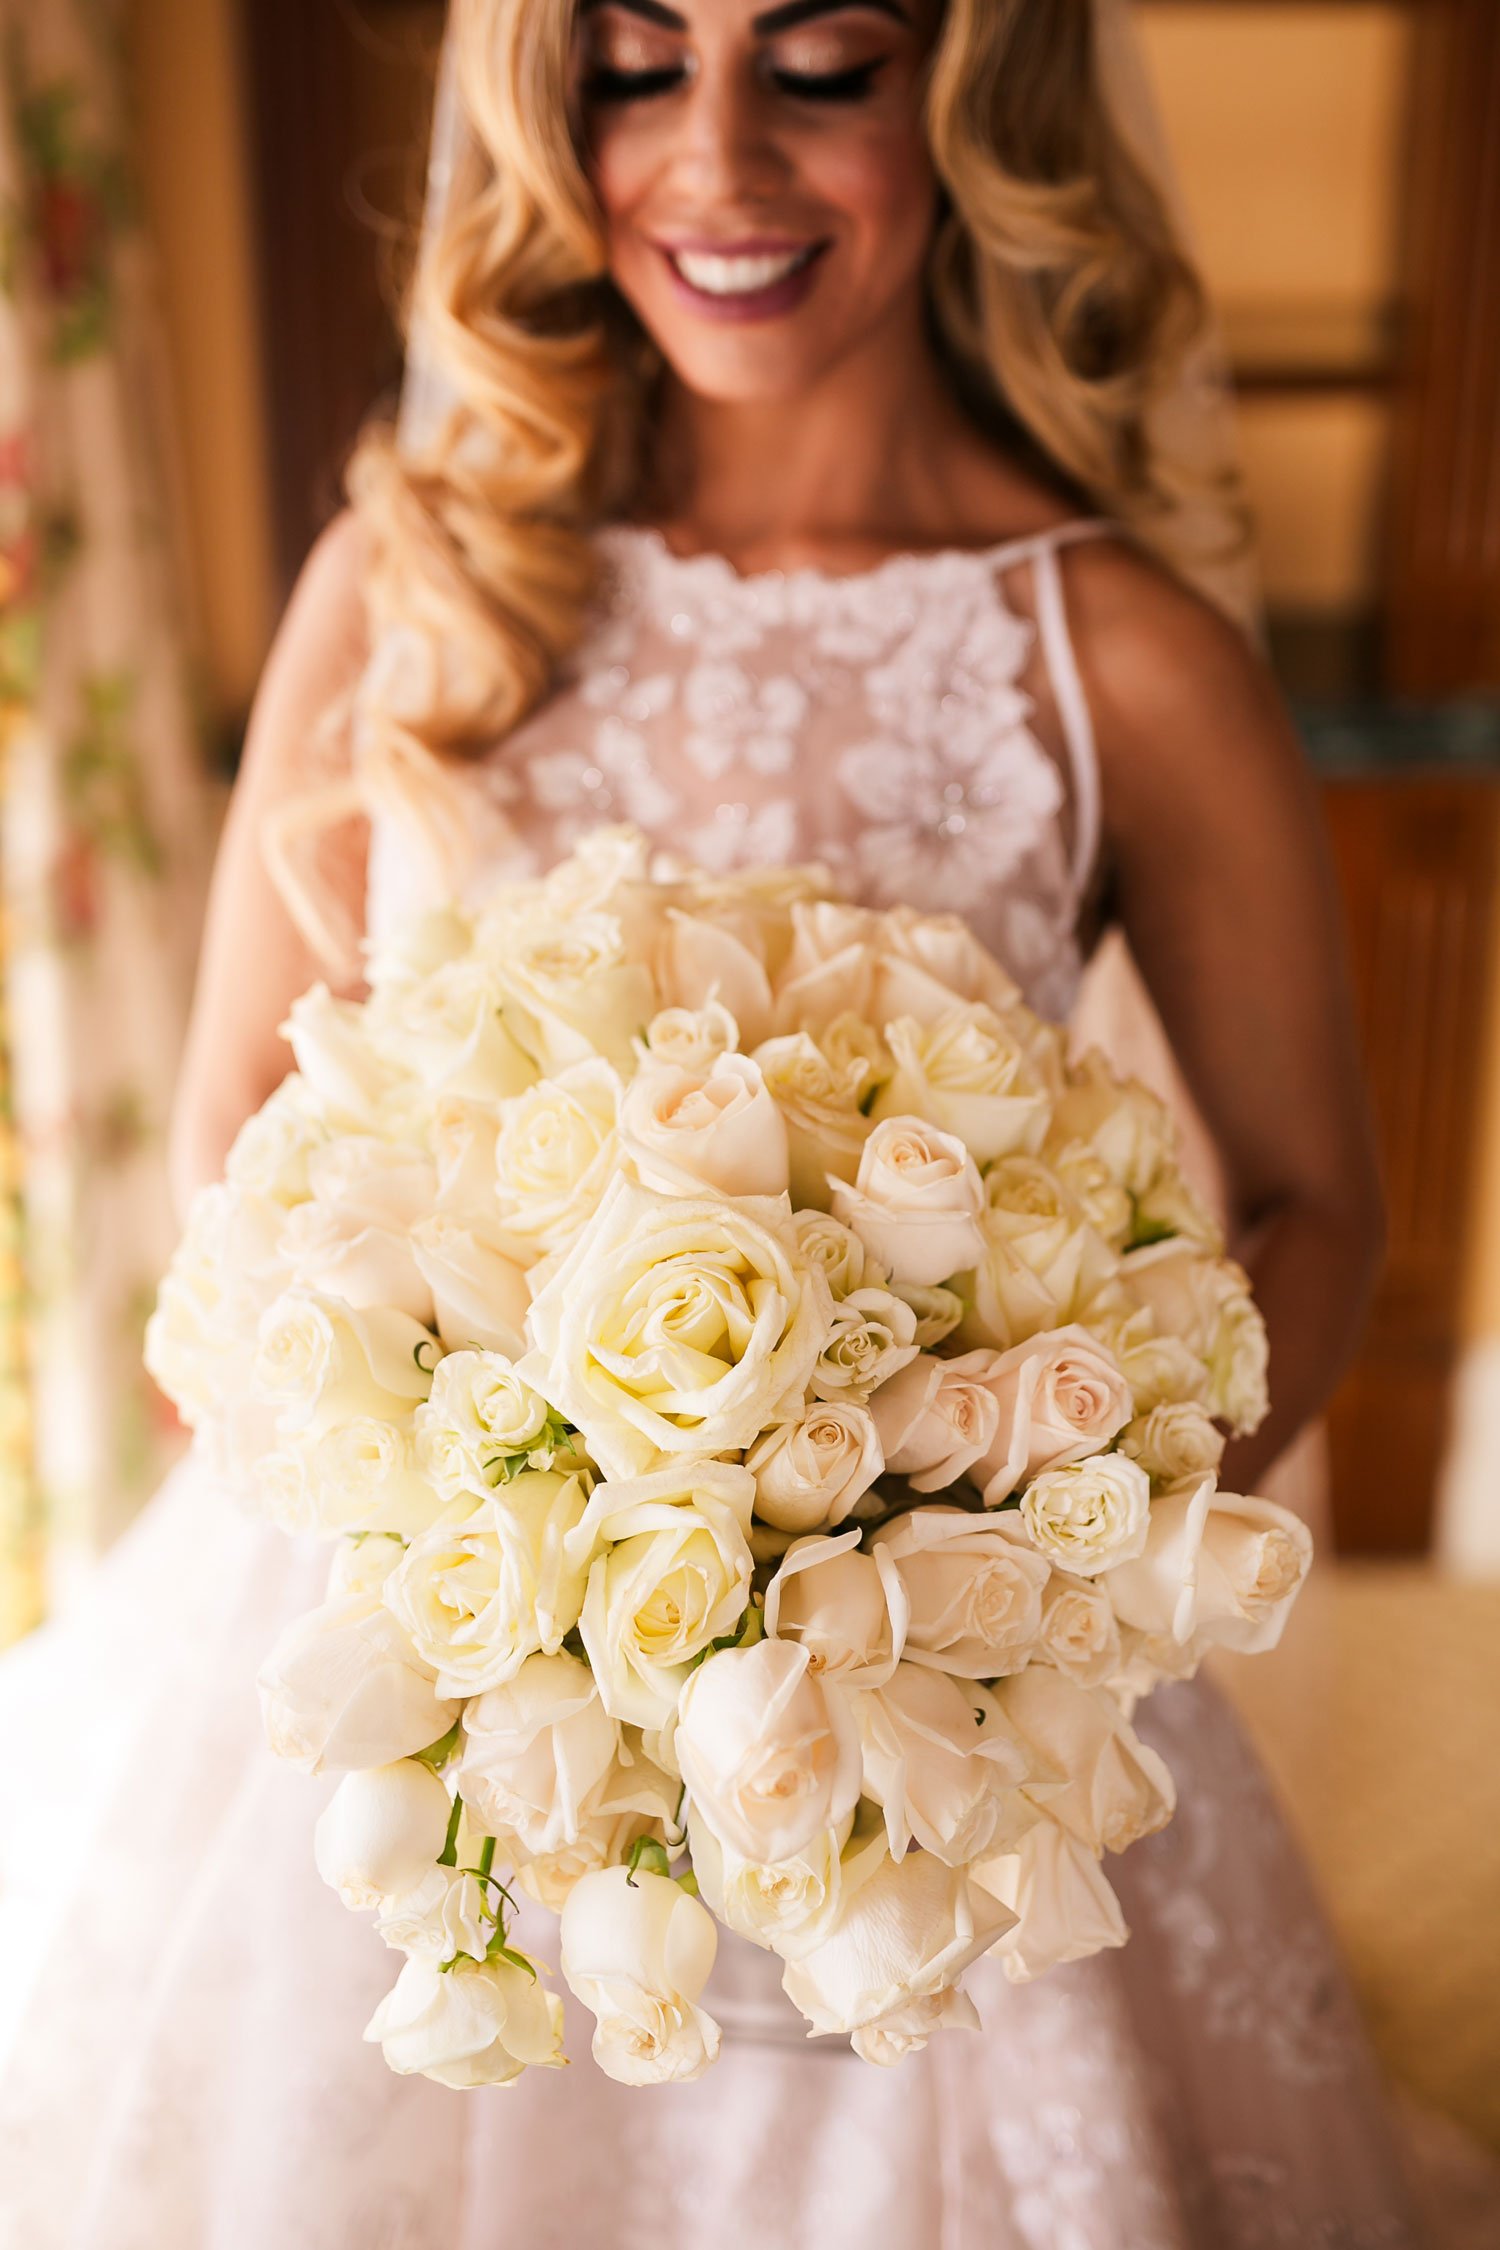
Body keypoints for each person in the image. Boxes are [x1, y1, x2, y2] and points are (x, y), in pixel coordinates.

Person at [0, 0, 1475, 2242]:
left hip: (928, 1706)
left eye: (822, 65)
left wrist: (1002, 1608)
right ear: (540, 105)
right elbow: (234, 1179)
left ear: (975, 102)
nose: (716, 160)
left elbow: (1312, 1208)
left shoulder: (1118, 659)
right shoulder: (411, 589)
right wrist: (488, 1588)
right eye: (630, 65)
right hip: (427, 1674)